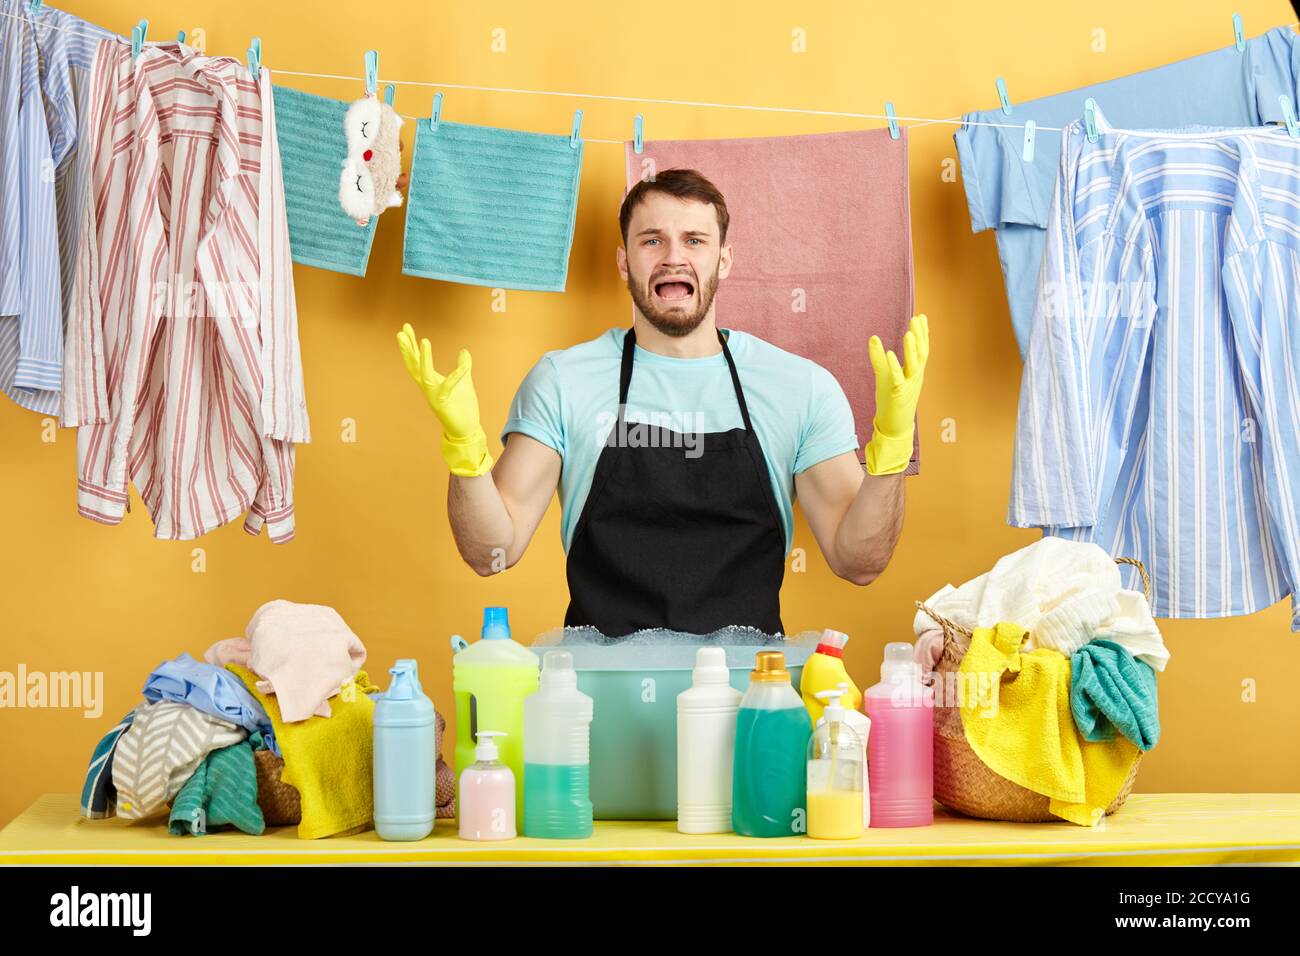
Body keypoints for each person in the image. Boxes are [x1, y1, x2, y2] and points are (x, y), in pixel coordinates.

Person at [397, 168, 929, 637]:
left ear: (724, 260)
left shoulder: (798, 387)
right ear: (624, 261)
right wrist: (465, 450)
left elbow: (858, 561)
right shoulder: (564, 381)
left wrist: (890, 452)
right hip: (599, 702)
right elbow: (493, 551)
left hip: (750, 702)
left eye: (694, 240)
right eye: (651, 241)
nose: (674, 256)